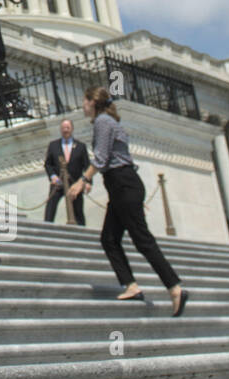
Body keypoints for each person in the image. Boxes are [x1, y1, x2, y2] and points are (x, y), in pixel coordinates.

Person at [70, 86, 188, 315]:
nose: (82, 106)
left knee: (142, 240)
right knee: (109, 239)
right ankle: (131, 286)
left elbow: (102, 158)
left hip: (123, 184)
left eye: (84, 102)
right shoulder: (105, 122)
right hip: (121, 187)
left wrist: (82, 179)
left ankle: (174, 287)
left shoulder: (103, 121)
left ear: (93, 103)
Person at [44, 119, 90, 224]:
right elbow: (48, 164)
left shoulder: (81, 146)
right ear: (60, 130)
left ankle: (82, 232)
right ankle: (47, 228)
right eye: (63, 128)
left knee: (78, 212)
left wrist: (87, 182)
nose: (66, 130)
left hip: (75, 184)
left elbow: (87, 166)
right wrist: (53, 176)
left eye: (68, 128)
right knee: (50, 208)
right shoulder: (53, 145)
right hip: (58, 183)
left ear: (72, 129)